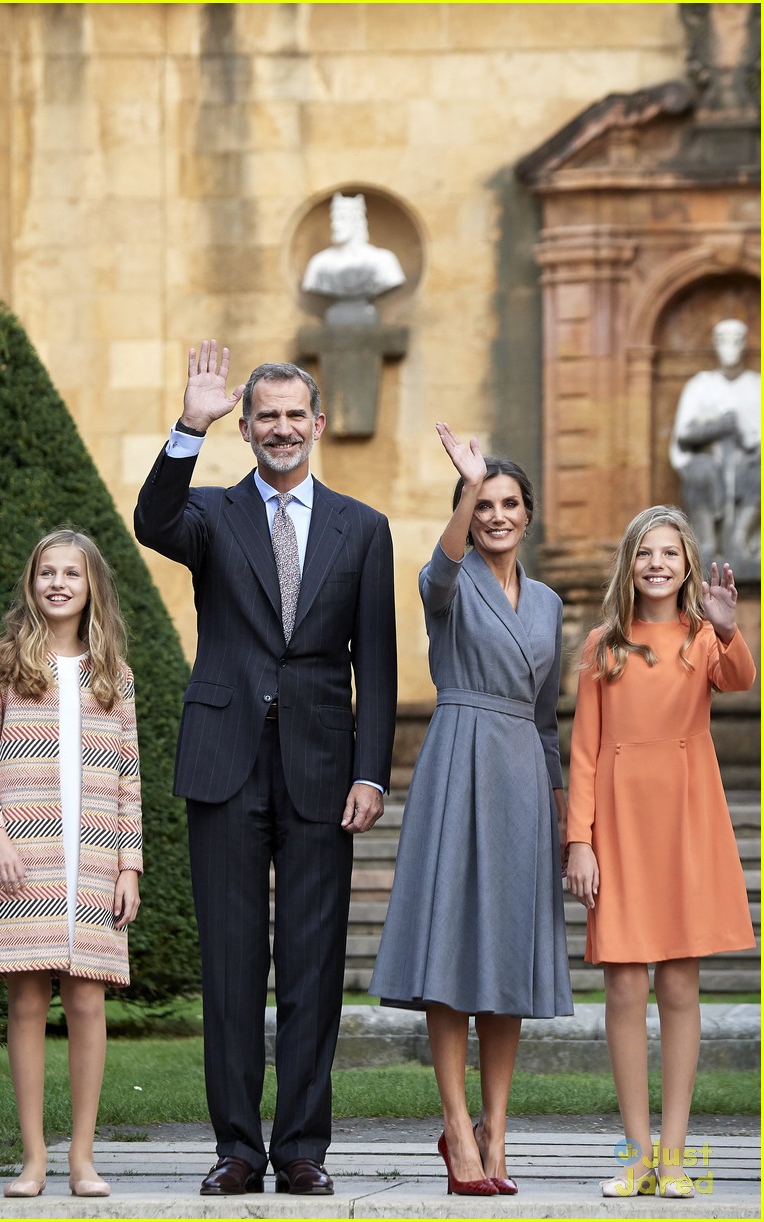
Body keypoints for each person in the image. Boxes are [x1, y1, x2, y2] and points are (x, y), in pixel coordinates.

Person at [134, 340, 397, 1196]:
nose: (281, 428)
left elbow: (380, 665)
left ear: (318, 425)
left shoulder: (364, 527)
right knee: (232, 965)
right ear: (244, 428)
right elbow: (151, 523)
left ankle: (302, 1149)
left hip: (324, 767)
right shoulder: (210, 514)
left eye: (295, 415)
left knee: (315, 964)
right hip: (225, 762)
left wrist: (371, 772)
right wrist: (186, 428)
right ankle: (238, 1149)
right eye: (266, 416)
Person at [370, 425, 572, 1196]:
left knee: (505, 960)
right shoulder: (449, 584)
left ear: (528, 514)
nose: (494, 514)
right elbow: (437, 574)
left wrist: (558, 808)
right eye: (481, 503)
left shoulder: (550, 603)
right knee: (454, 952)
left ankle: (496, 1129)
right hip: (457, 758)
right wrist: (463, 479)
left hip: (522, 772)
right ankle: (455, 1127)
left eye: (506, 502)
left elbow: (549, 716)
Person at [565, 505, 755, 1199]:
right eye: (644, 552)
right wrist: (578, 842)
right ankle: (636, 1152)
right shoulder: (601, 646)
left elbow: (739, 680)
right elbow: (583, 752)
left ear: (685, 564)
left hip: (683, 820)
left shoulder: (704, 639)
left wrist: (730, 627)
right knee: (621, 984)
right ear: (628, 562)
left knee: (678, 982)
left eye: (668, 554)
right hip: (617, 825)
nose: (655, 564)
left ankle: (673, 1157)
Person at [0, 529, 143, 1199]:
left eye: (71, 572)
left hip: (92, 862)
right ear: (32, 584)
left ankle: (83, 1157)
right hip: (24, 861)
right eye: (46, 572)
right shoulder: (1, 663)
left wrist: (130, 866)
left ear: (92, 584)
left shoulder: (113, 675)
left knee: (88, 1000)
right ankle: (34, 1158)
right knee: (28, 1001)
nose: (58, 582)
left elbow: (127, 779)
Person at [669, 318, 760, 567]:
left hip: (748, 463)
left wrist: (749, 443)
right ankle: (707, 542)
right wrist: (716, 428)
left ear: (744, 345)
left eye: (735, 340)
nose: (729, 346)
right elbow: (684, 436)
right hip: (709, 462)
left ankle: (742, 538)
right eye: (723, 340)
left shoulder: (757, 386)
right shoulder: (701, 386)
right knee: (700, 471)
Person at [302, 192, 406, 302]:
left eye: (342, 218)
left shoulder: (384, 260)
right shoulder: (319, 263)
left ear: (357, 221)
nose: (335, 225)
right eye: (333, 219)